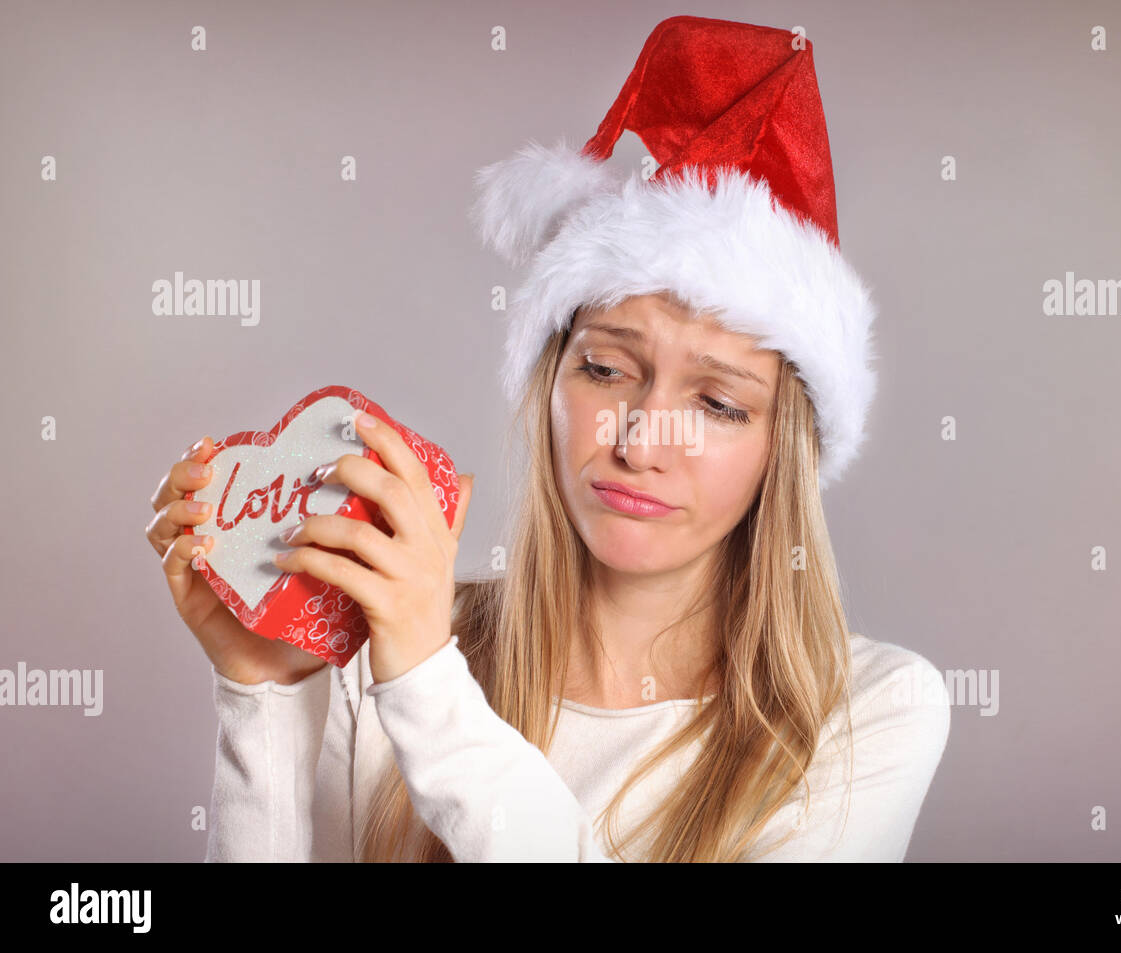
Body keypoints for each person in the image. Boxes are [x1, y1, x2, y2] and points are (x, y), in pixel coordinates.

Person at [144, 15, 951, 862]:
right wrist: (263, 695)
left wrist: (425, 684)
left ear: (781, 449)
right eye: (605, 369)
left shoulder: (872, 712)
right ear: (549, 382)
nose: (641, 440)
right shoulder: (382, 639)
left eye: (717, 403)